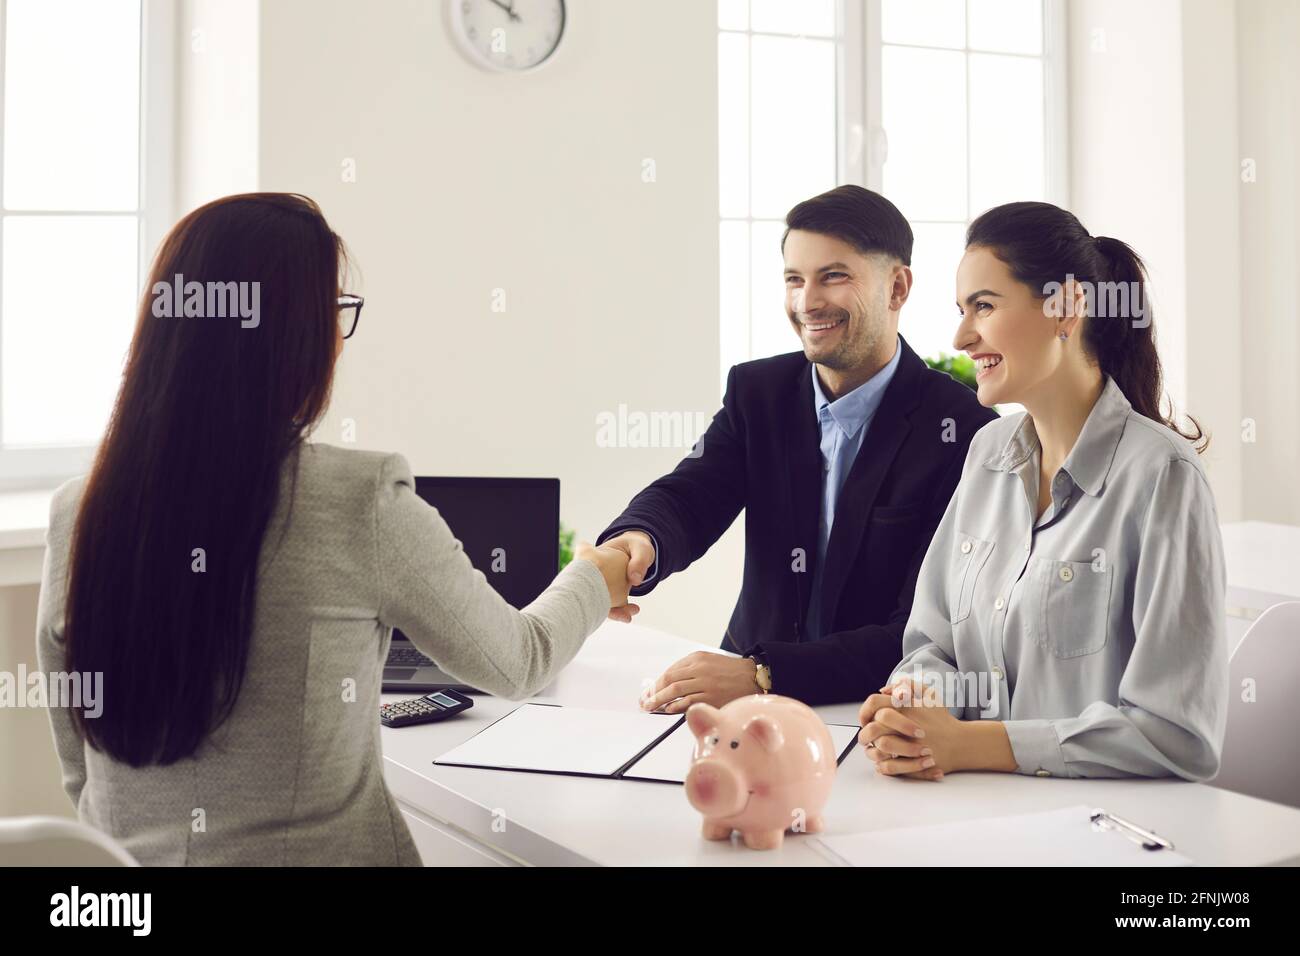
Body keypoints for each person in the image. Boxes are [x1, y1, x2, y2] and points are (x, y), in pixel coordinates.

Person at [36, 193, 632, 865]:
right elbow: (517, 660)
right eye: (334, 312)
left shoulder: (77, 511)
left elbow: (80, 769)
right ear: (296, 335)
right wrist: (594, 574)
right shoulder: (360, 498)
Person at [858, 201, 1228, 782]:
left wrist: (967, 744)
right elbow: (934, 644)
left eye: (983, 306)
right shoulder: (987, 453)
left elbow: (1178, 734)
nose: (961, 335)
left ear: (1066, 307)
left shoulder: (1162, 477)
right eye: (962, 309)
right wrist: (915, 704)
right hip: (971, 810)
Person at [600, 185, 996, 711]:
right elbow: (690, 493)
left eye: (833, 276)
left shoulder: (963, 430)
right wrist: (635, 542)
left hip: (868, 712)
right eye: (794, 279)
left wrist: (763, 674)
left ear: (897, 287)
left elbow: (923, 628)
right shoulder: (758, 393)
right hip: (740, 707)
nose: (807, 302)